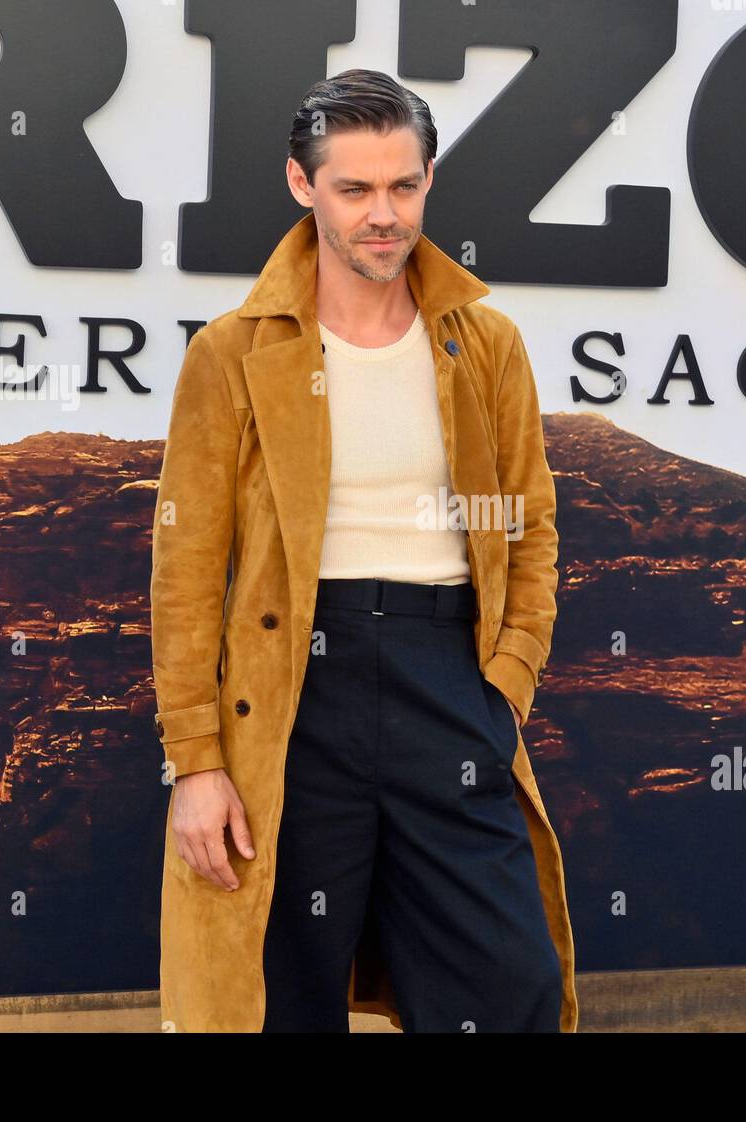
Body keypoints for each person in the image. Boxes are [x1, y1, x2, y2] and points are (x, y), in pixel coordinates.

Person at [152, 68, 577, 1032]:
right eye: (355, 190)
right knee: (282, 995)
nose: (383, 216)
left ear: (427, 180)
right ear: (304, 187)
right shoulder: (232, 352)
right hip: (291, 691)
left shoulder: (487, 343)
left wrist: (505, 681)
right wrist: (197, 762)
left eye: (404, 186)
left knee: (509, 987)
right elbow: (183, 573)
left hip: (450, 680)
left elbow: (530, 527)